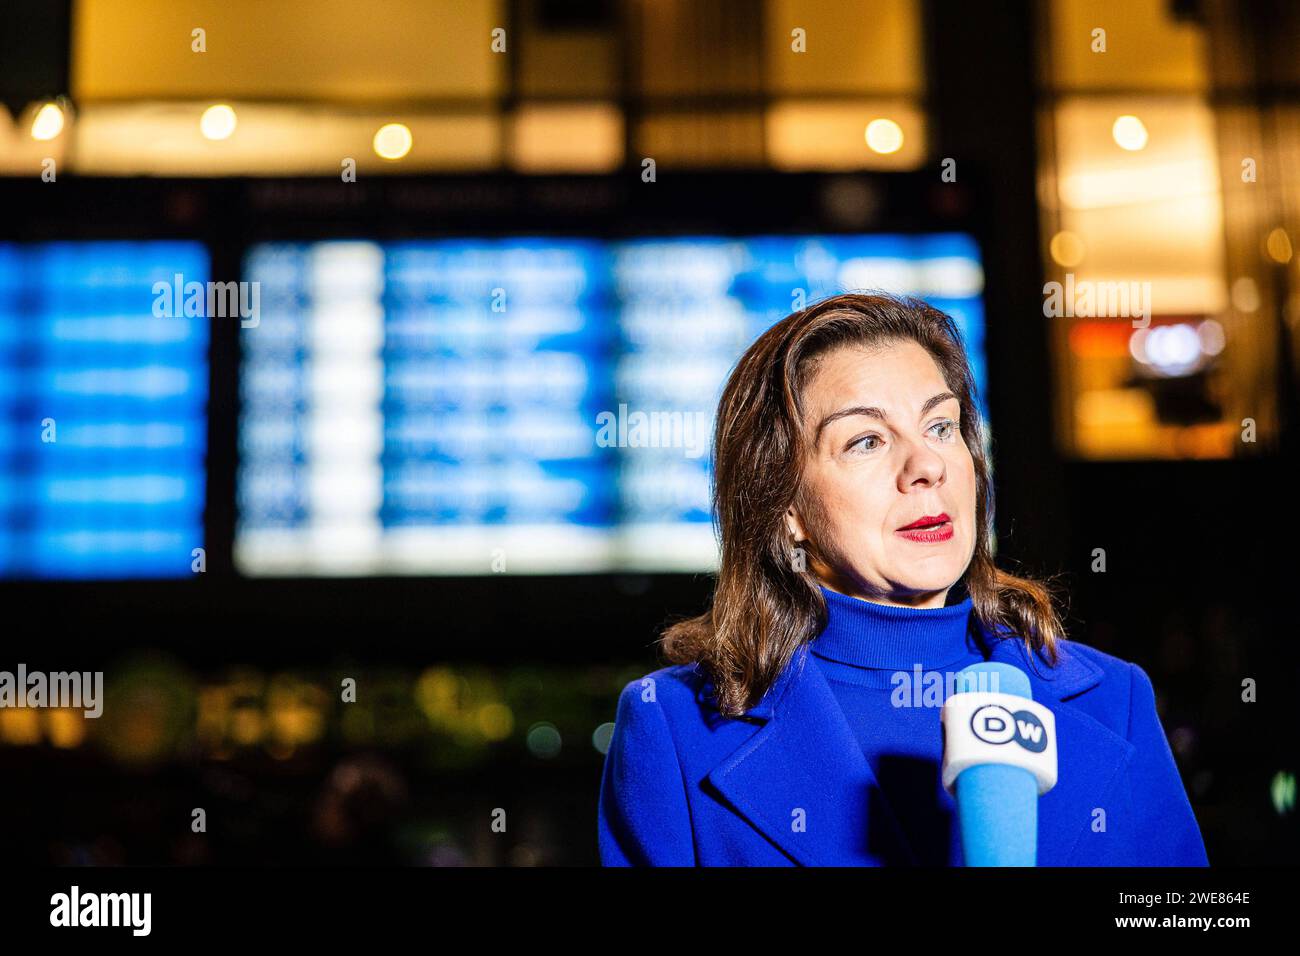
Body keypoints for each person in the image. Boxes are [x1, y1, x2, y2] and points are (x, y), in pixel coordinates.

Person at [597, 291, 1209, 866]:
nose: (925, 466)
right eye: (866, 441)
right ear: (784, 508)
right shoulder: (673, 727)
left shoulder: (1113, 700)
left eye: (941, 427)